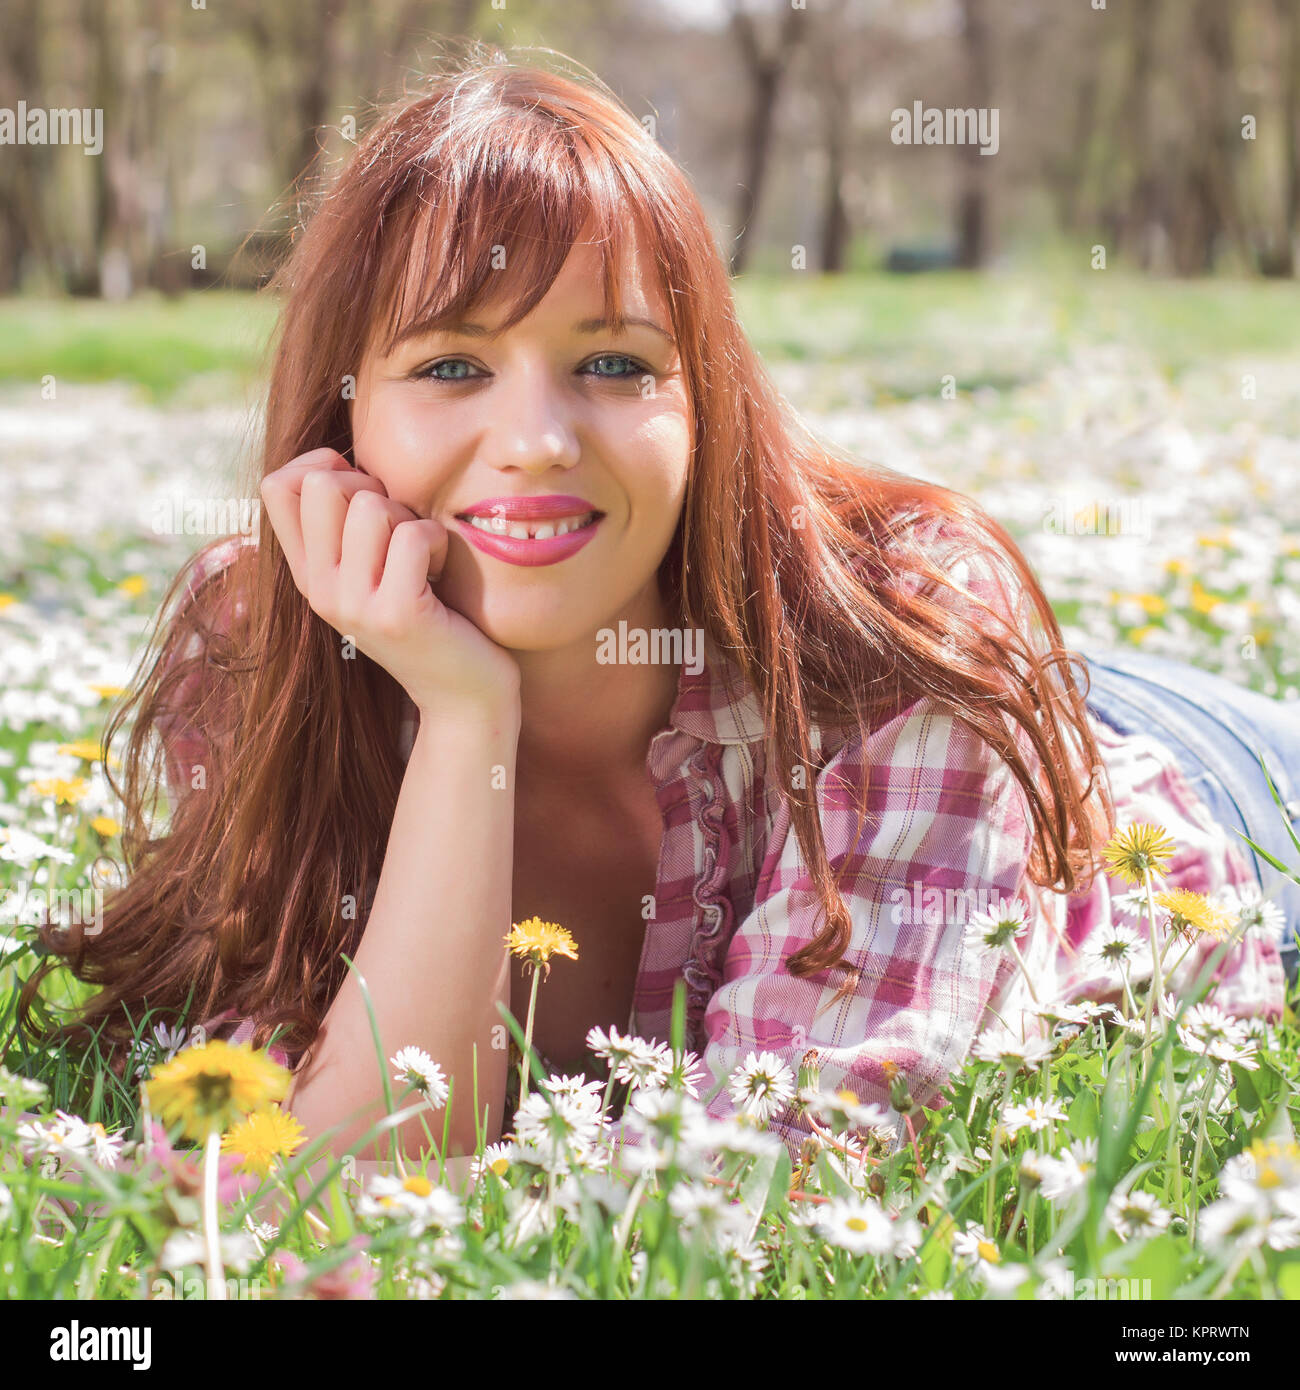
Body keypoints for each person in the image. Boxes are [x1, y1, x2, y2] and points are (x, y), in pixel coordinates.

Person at [27, 48, 1296, 1167]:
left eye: (615, 364)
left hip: (1180, 781)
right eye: (451, 363)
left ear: (706, 407)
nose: (533, 440)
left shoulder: (905, 649)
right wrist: (465, 715)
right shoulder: (261, 638)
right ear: (342, 403)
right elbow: (353, 1164)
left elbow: (782, 1161)